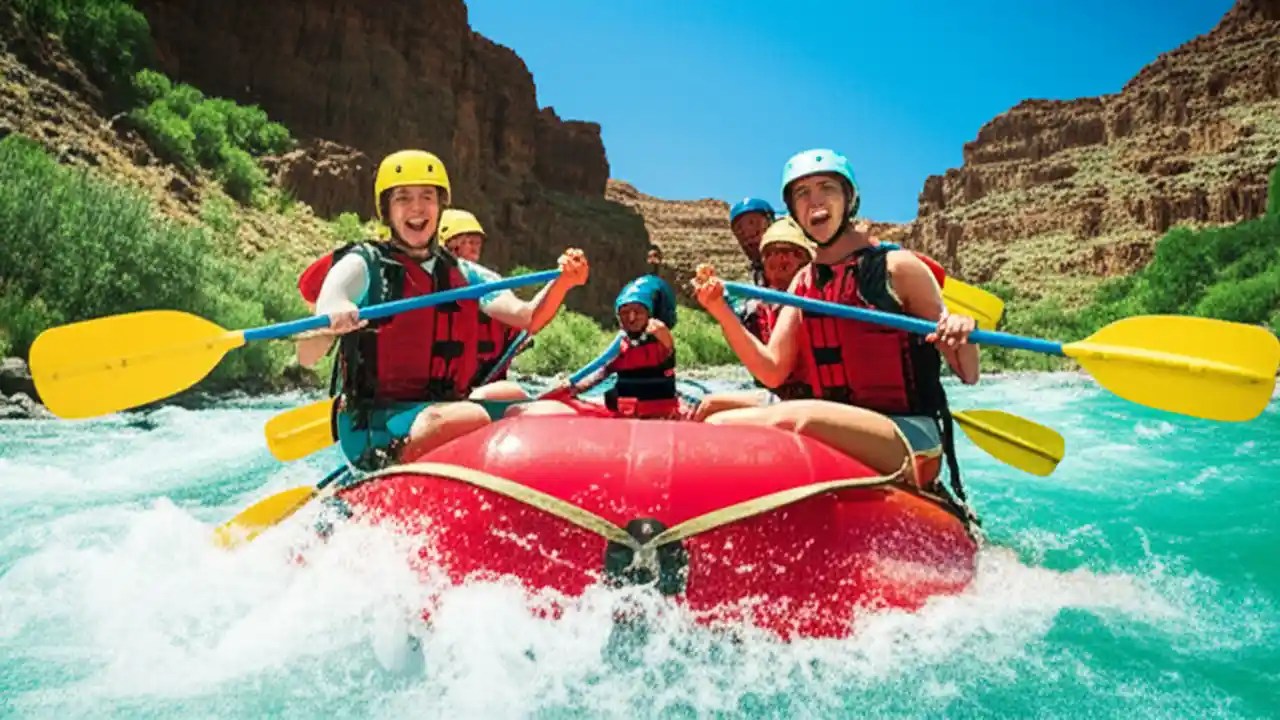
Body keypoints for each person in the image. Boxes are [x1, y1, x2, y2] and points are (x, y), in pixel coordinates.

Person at [692, 148, 980, 500]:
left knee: (804, 421)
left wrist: (963, 330)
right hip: (838, 423)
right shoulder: (803, 284)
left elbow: (968, 372)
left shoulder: (897, 268)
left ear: (848, 198)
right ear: (794, 211)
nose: (815, 201)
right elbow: (772, 372)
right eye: (802, 193)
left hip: (907, 437)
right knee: (717, 424)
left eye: (826, 187)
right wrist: (721, 312)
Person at [294, 149, 589, 470]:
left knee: (530, 403)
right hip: (375, 424)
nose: (417, 207)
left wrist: (563, 282)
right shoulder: (362, 263)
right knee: (462, 416)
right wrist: (333, 316)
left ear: (439, 206)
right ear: (387, 210)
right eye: (403, 198)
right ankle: (392, 467)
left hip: (444, 410)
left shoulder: (464, 273)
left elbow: (528, 317)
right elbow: (309, 352)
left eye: (427, 197)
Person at [510, 275, 687, 420]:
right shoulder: (621, 348)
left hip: (659, 416)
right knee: (560, 404)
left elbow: (661, 330)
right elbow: (599, 373)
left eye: (638, 312)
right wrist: (568, 390)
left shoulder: (662, 341)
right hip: (623, 414)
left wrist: (655, 322)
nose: (631, 318)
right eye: (625, 313)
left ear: (651, 314)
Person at [694, 216, 817, 418]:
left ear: (805, 260)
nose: (778, 259)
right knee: (705, 405)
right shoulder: (761, 306)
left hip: (810, 400)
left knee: (711, 409)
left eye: (788, 251)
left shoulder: (808, 296)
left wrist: (720, 310)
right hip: (784, 396)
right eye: (770, 253)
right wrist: (717, 305)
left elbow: (772, 373)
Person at [438, 208, 535, 401]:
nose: (476, 247)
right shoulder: (429, 280)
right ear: (452, 245)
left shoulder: (485, 280)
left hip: (478, 387)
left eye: (477, 242)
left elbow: (522, 316)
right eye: (469, 241)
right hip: (439, 389)